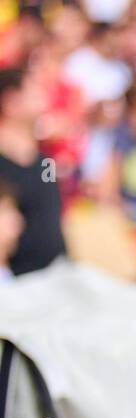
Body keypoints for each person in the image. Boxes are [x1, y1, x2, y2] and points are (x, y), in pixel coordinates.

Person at [0, 66, 67, 275]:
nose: (42, 96)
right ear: (11, 101)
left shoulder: (45, 162)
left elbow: (52, 214)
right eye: (34, 90)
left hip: (58, 273)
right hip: (18, 282)